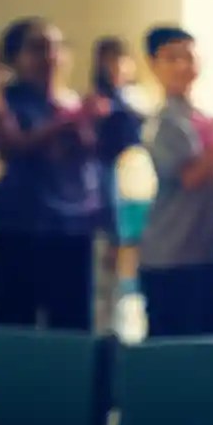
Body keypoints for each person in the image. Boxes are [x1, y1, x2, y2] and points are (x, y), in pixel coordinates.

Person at [0, 18, 138, 330]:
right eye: (38, 48)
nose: (51, 56)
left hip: (75, 229)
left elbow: (97, 165)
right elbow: (13, 146)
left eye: (57, 47)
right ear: (14, 58)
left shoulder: (76, 102)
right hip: (22, 228)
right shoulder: (6, 104)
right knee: (17, 324)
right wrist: (71, 121)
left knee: (73, 324)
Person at [137, 26, 213, 337]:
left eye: (188, 57)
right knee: (175, 356)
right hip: (173, 258)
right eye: (171, 58)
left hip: (209, 253)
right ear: (153, 65)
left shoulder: (204, 117)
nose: (182, 66)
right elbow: (191, 177)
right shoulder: (163, 122)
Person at [89, 36, 144, 333]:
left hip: (129, 192)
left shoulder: (133, 101)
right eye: (109, 60)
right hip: (102, 193)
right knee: (103, 277)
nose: (116, 67)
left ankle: (116, 333)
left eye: (121, 59)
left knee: (122, 277)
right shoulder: (98, 104)